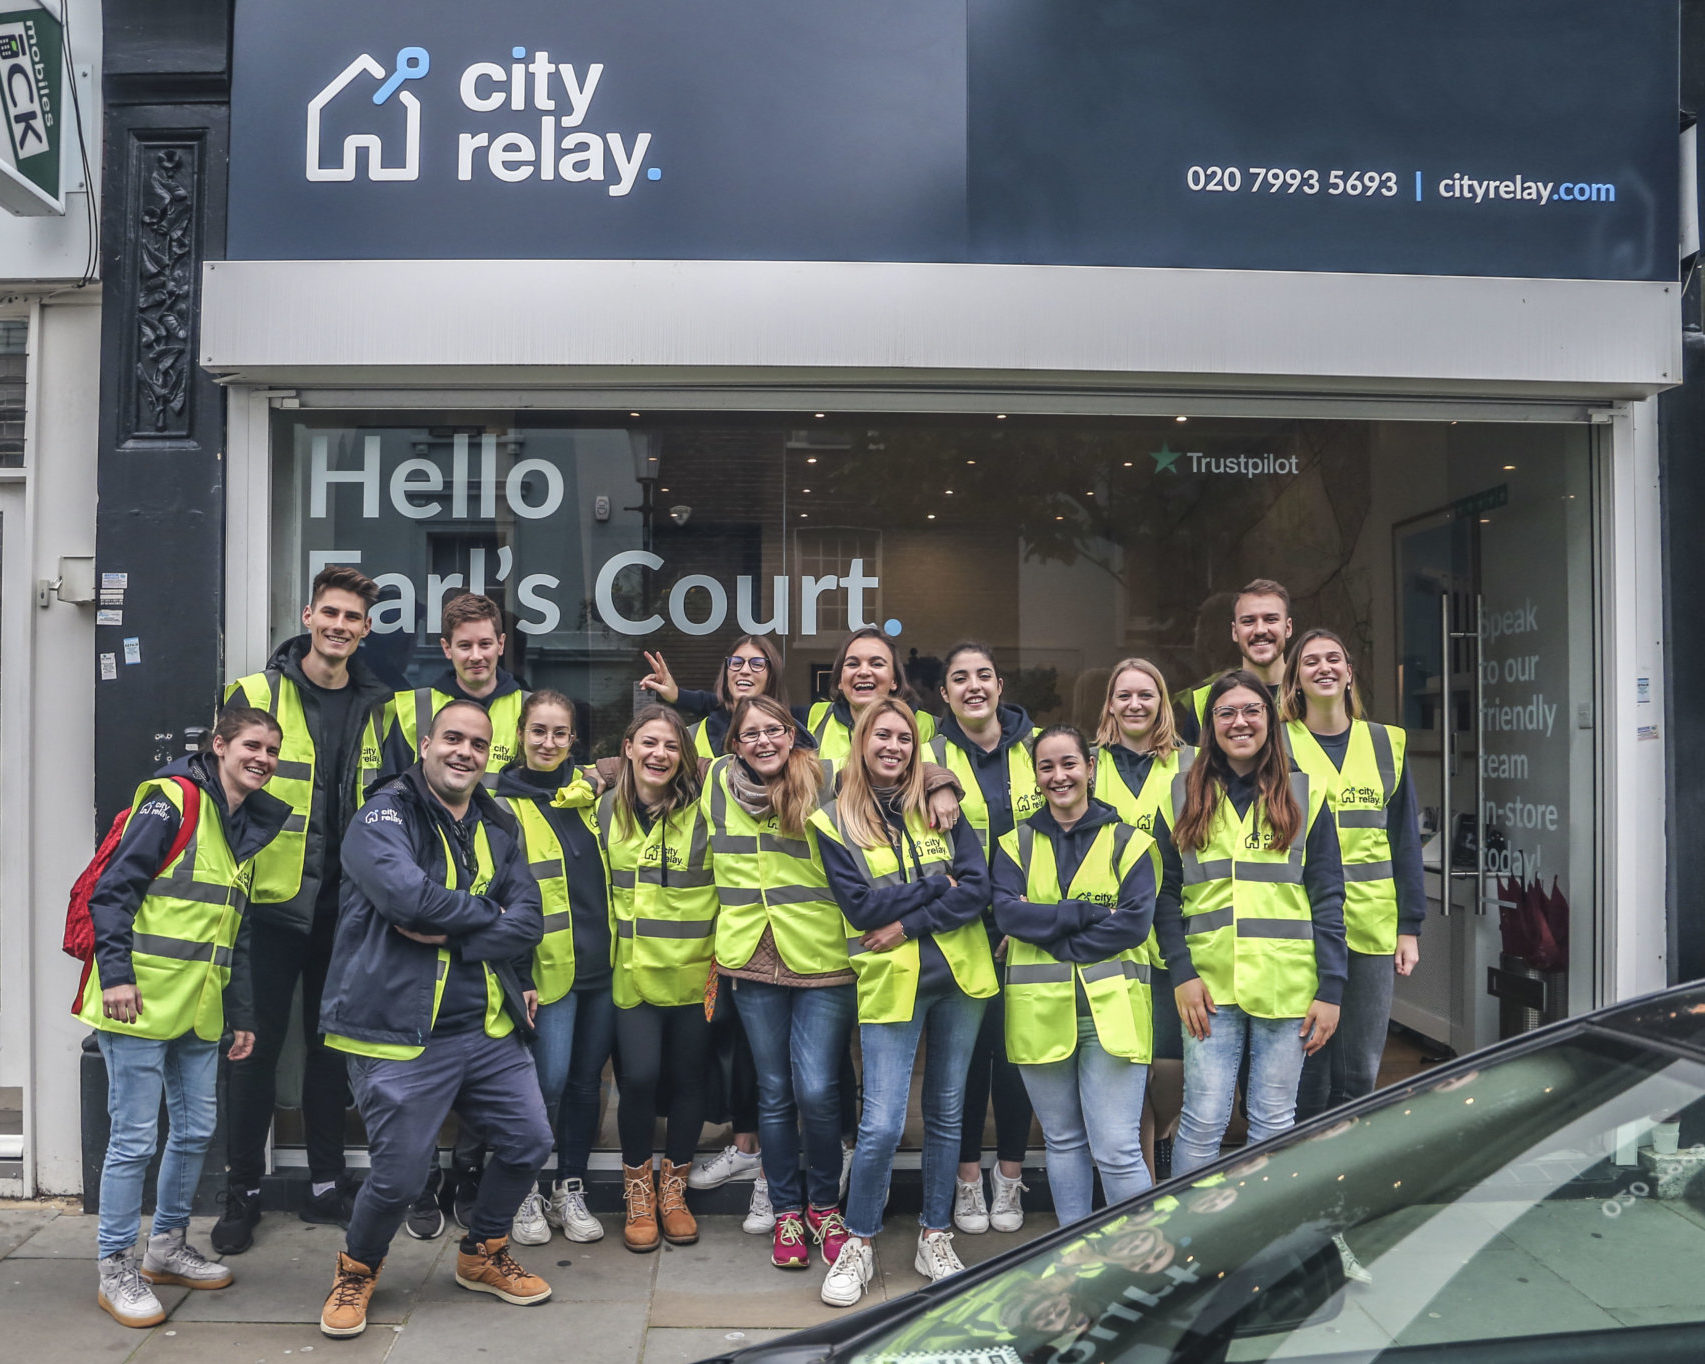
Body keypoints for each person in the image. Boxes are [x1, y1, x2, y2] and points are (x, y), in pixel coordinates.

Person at [316, 700, 552, 1339]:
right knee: (398, 1178)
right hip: (397, 1030)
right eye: (453, 738)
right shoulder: (384, 813)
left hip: (485, 1027)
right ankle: (358, 1268)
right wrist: (488, 918)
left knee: (529, 1142)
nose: (464, 752)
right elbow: (404, 897)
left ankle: (481, 1252)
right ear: (426, 744)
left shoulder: (498, 823)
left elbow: (529, 923)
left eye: (478, 744)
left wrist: (452, 936)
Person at [80, 708, 289, 1327]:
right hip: (137, 1000)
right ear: (219, 745)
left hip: (200, 1007)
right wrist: (115, 974)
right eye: (252, 745)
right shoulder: (172, 801)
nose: (263, 758)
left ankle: (165, 1249)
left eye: (273, 751)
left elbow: (238, 929)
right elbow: (114, 889)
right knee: (134, 1139)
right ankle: (115, 1266)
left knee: (196, 1131)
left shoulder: (244, 822)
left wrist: (242, 1012)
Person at [215, 565, 393, 1253]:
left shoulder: (382, 703)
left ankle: (325, 1185)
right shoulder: (258, 693)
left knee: (330, 1053)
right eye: (331, 613)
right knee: (251, 1052)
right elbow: (219, 787)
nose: (340, 627)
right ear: (308, 614)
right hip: (266, 905)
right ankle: (242, 1194)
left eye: (353, 617)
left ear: (365, 629)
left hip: (345, 909)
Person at [814, 698, 995, 1309]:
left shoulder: (941, 803)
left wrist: (910, 922)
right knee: (883, 1122)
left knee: (946, 1115)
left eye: (903, 738)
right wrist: (931, 889)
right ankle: (858, 1242)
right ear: (862, 741)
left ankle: (935, 1235)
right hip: (892, 983)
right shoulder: (834, 819)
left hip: (960, 978)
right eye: (881, 735)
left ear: (917, 748)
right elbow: (861, 910)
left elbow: (977, 887)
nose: (892, 746)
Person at [1155, 671, 1346, 1176]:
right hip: (1207, 989)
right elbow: (1165, 895)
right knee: (1202, 1119)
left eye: (1251, 711)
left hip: (1289, 987)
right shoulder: (1180, 795)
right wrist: (1182, 975)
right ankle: (1192, 1239)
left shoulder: (1307, 794)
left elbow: (1328, 896)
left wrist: (1332, 989)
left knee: (1274, 1120)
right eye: (1226, 713)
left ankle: (1267, 1241)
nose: (1239, 722)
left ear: (1270, 720)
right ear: (1210, 724)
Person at [704, 693, 855, 1272]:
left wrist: (943, 784)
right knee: (773, 1090)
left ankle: (824, 1207)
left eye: (774, 730)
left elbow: (902, 763)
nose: (763, 742)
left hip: (822, 957)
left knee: (817, 1089)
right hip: (749, 955)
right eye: (751, 734)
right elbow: (646, 759)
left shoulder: (826, 776)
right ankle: (787, 1211)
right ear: (734, 744)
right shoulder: (716, 779)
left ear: (791, 735)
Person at [992, 725, 1160, 1224]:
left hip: (1112, 1017)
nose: (1059, 775)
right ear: (1035, 776)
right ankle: (1072, 1257)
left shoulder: (1131, 842)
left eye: (1069, 763)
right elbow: (1007, 915)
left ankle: (1145, 1257)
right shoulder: (1012, 843)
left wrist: (1048, 926)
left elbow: (1133, 925)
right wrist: (1085, 912)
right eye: (1046, 766)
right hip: (1041, 1015)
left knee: (1116, 1148)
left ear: (1090, 768)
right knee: (1062, 1143)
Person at [1279, 628, 1424, 1120]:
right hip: (1300, 924)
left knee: (1359, 1070)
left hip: (1372, 924)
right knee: (1308, 1070)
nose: (1324, 667)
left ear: (1348, 672)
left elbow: (1404, 842)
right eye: (1311, 661)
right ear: (1294, 679)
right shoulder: (1278, 744)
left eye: (1334, 659)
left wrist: (1411, 926)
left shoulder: (1387, 743)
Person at [927, 641, 1043, 1236]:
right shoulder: (929, 753)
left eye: (984, 676)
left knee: (1018, 1058)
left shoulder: (1039, 746)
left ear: (1000, 685)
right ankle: (968, 1180)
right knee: (969, 1061)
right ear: (944, 694)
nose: (974, 686)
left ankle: (1011, 1174)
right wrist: (935, 775)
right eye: (960, 678)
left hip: (1026, 931)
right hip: (964, 931)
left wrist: (1023, 916)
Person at [492, 691, 614, 1247]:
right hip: (547, 972)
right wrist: (519, 976)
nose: (548, 742)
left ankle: (571, 1186)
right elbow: (502, 900)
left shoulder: (588, 797)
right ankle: (525, 1189)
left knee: (587, 1086)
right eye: (538, 731)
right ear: (520, 735)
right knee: (546, 1085)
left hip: (603, 967)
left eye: (559, 733)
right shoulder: (501, 806)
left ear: (573, 740)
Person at [599, 705, 717, 1253]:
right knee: (640, 1079)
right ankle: (638, 1189)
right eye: (648, 743)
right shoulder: (602, 811)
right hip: (633, 975)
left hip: (696, 973)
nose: (659, 755)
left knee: (691, 1079)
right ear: (628, 748)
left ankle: (674, 1189)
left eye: (671, 746)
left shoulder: (706, 812)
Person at [1092, 658, 1193, 1180]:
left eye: (1146, 695)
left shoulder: (1194, 763)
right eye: (1124, 695)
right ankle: (1145, 1184)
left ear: (1162, 703)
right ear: (1110, 703)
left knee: (1171, 1067)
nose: (1135, 705)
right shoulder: (1087, 766)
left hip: (1179, 934)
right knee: (1130, 1066)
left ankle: (1167, 1141)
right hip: (1111, 939)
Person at [386, 592, 527, 782]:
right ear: (447, 648)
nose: (476, 656)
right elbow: (393, 789)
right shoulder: (412, 709)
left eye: (485, 644)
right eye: (465, 646)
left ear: (500, 644)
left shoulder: (528, 710)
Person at [639, 635, 798, 759]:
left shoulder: (788, 728)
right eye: (736, 662)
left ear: (771, 675)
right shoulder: (712, 724)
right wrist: (677, 695)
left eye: (757, 664)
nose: (744, 670)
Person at [1176, 578, 1294, 746]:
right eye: (1248, 621)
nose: (1260, 630)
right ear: (1234, 632)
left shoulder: (1314, 695)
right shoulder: (1203, 702)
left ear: (1288, 628)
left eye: (1270, 619)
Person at [806, 626, 938, 771]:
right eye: (853, 664)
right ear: (839, 680)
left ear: (894, 680)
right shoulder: (814, 717)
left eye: (876, 664)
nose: (863, 672)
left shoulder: (930, 726)